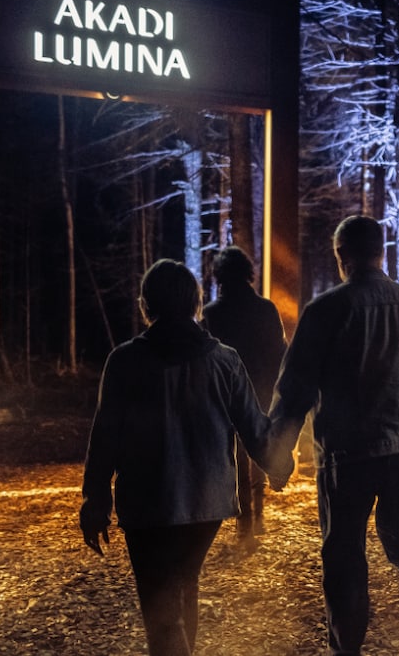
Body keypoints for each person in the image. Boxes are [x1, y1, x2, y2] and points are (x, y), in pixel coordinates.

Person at [269, 215, 399, 656]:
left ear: (342, 256)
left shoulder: (325, 310)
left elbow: (295, 388)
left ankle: (348, 648)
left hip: (348, 455)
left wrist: (278, 453)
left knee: (343, 555)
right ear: (382, 252)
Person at [80, 259, 292, 656]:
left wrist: (95, 497)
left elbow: (105, 434)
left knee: (160, 597)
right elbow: (253, 427)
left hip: (147, 500)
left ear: (147, 305)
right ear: (197, 304)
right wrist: (279, 463)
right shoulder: (224, 360)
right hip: (206, 501)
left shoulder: (124, 361)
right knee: (183, 584)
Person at [203, 245, 288, 547]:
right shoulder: (265, 309)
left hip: (226, 394)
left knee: (236, 455)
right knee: (257, 445)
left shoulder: (212, 313)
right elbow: (279, 351)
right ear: (248, 275)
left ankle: (245, 525)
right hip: (262, 387)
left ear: (219, 277)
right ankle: (259, 515)